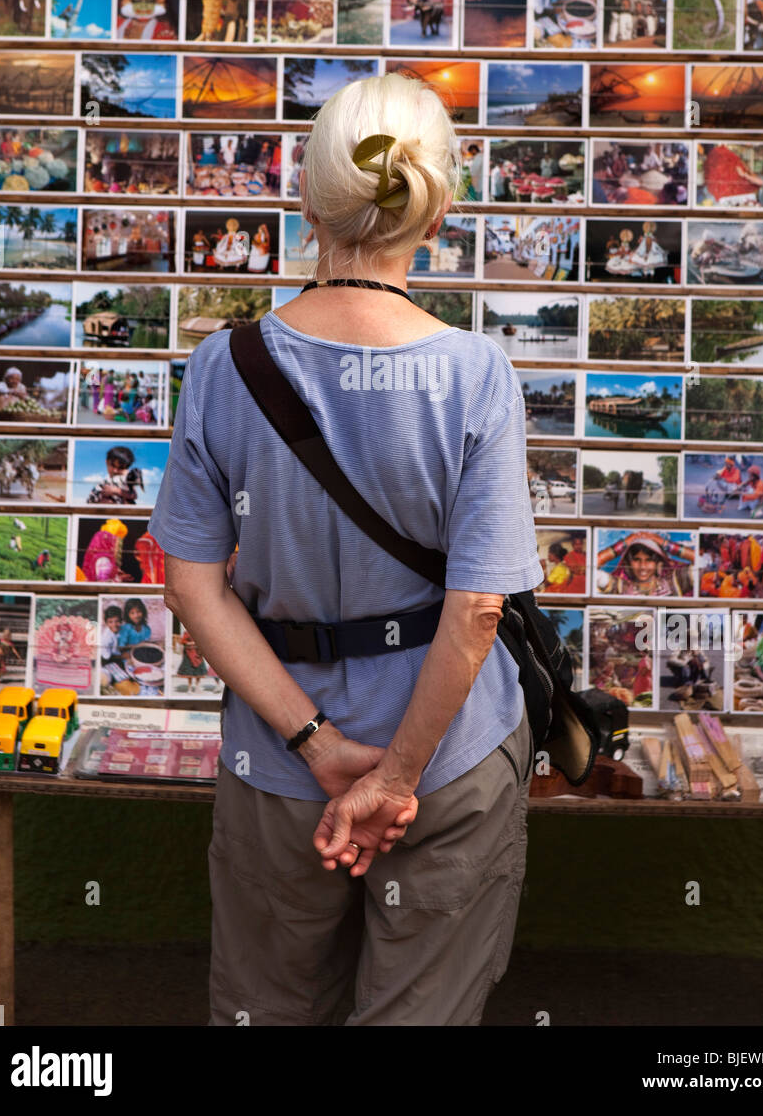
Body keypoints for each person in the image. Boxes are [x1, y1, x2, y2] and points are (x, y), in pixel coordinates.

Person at [149, 71, 542, 1027]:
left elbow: (192, 588)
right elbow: (478, 607)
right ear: (437, 209)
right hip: (449, 759)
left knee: (268, 1005)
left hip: (281, 764)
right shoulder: (475, 373)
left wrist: (319, 746)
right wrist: (399, 774)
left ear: (304, 199)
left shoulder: (224, 365)